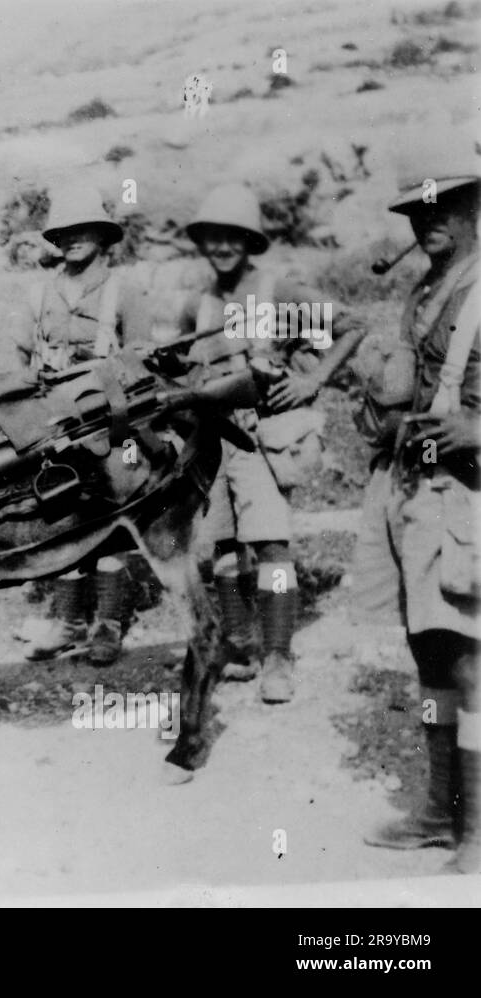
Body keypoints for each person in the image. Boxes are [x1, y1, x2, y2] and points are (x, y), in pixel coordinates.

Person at [175, 183, 366, 703]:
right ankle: (239, 644)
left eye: (232, 238)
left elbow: (350, 323)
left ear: (249, 241)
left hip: (260, 435)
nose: (222, 248)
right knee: (221, 547)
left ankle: (277, 654)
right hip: (213, 437)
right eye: (213, 238)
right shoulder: (200, 304)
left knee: (271, 545)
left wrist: (313, 379)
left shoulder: (277, 289)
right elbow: (176, 365)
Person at [357, 151, 479, 874]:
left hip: (469, 493)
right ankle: (441, 812)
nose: (428, 220)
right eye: (418, 211)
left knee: (470, 663)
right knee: (431, 655)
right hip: (419, 494)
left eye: (443, 207)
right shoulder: (429, 291)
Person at [12, 184, 152, 664]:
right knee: (59, 517)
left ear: (102, 235)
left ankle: (107, 624)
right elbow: (18, 358)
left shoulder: (124, 291)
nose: (71, 239)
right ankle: (68, 621)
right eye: (63, 232)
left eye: (81, 230)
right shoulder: (40, 293)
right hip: (52, 425)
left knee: (112, 519)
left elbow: (140, 360)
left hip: (107, 424)